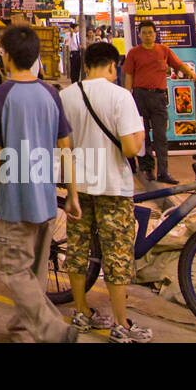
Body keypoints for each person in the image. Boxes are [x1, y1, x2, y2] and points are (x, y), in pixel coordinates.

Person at [0, 25, 81, 344]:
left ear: (5, 57)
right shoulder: (51, 93)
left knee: (13, 272)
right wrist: (73, 195)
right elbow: (65, 146)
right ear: (37, 57)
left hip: (15, 203)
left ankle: (55, 330)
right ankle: (24, 330)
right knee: (34, 274)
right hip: (46, 199)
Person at [58, 42, 151, 342]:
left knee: (77, 250)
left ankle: (82, 312)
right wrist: (139, 136)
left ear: (86, 65)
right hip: (113, 188)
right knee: (117, 255)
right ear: (113, 65)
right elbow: (129, 147)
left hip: (77, 187)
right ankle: (121, 323)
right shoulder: (121, 97)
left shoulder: (66, 96)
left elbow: (63, 147)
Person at [124, 19, 196, 184]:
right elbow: (128, 75)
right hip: (139, 97)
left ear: (155, 34)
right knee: (143, 136)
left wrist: (192, 74)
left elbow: (179, 65)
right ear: (139, 35)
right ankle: (147, 169)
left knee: (160, 136)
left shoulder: (163, 50)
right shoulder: (134, 53)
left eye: (150, 32)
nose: (147, 36)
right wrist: (128, 96)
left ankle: (163, 172)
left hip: (158, 98)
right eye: (144, 33)